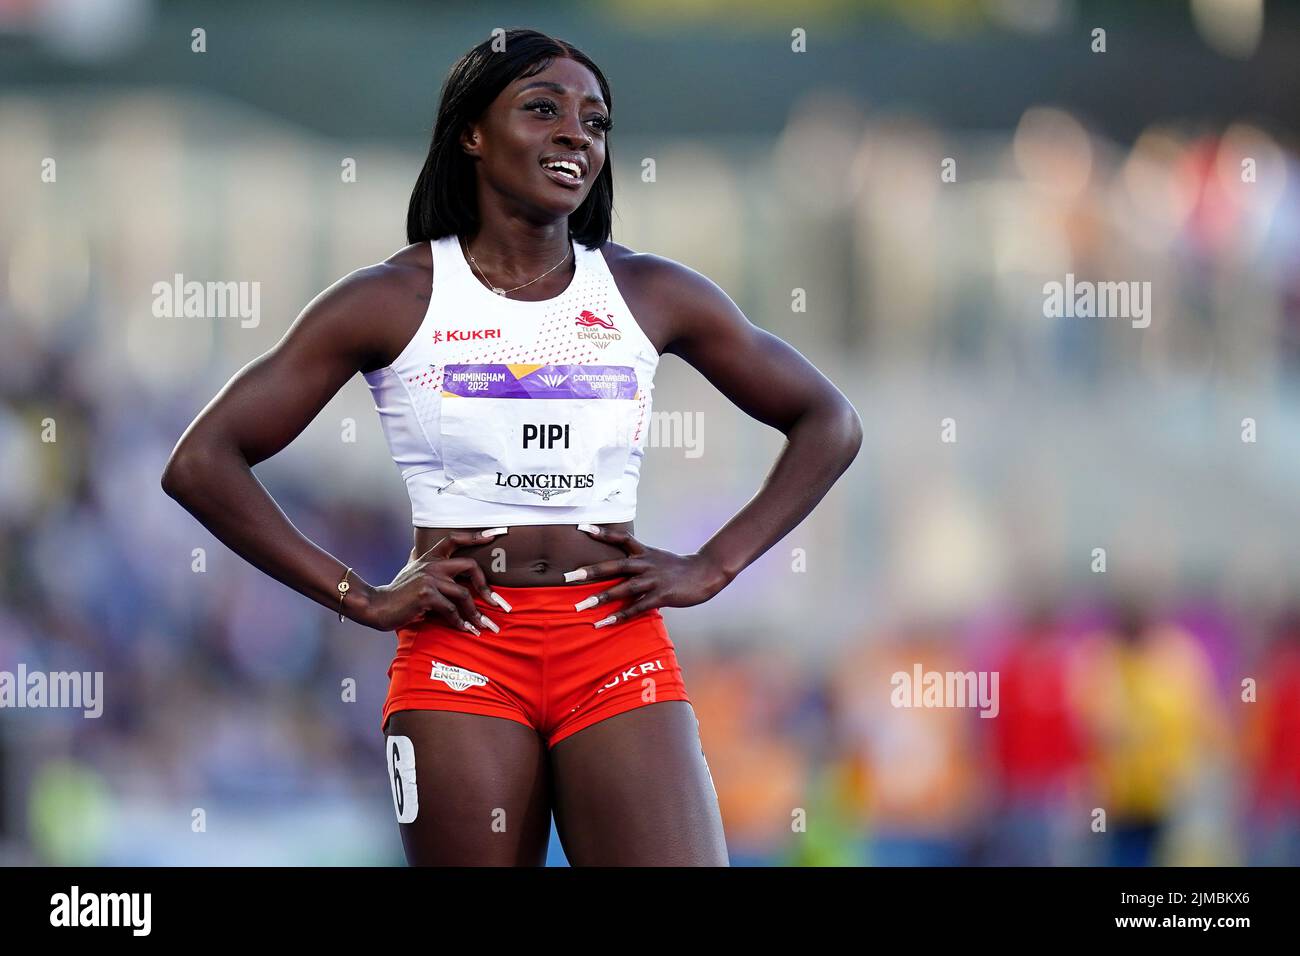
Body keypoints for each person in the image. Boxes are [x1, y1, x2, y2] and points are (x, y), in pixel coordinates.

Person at [161, 28, 863, 866]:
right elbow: (202, 462)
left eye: (595, 122)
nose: (577, 134)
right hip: (462, 650)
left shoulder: (648, 293)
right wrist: (362, 596)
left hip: (615, 640)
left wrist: (714, 565)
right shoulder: (393, 299)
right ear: (471, 133)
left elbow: (830, 421)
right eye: (543, 110)